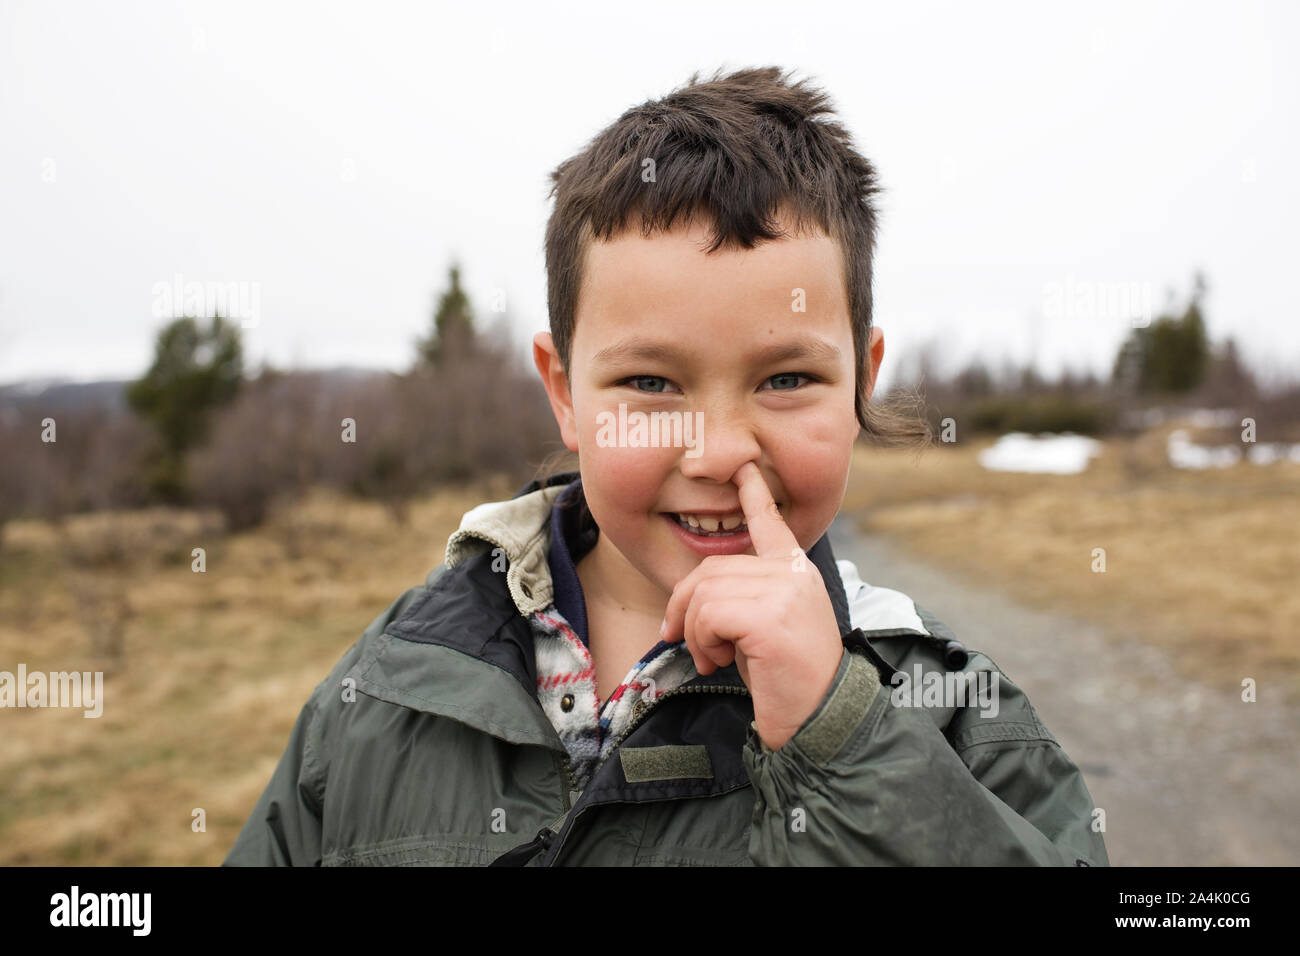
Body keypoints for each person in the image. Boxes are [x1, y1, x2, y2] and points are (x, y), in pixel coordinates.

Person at [224, 65, 1109, 866]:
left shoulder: (951, 714)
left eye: (787, 378)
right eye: (651, 382)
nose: (721, 451)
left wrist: (844, 738)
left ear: (861, 382)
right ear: (565, 392)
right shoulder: (397, 680)